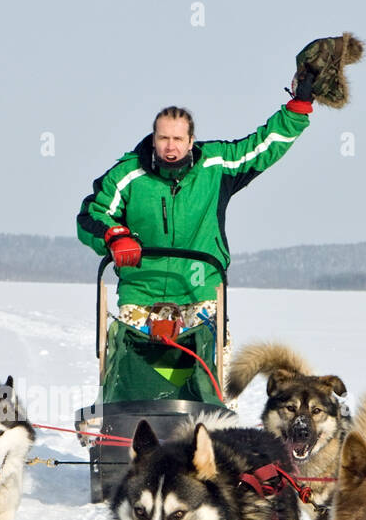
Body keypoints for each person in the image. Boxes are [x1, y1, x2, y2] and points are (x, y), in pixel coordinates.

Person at [76, 67, 318, 340]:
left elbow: (262, 147)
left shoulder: (215, 165)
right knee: (130, 365)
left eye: (178, 139)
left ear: (191, 141)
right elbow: (91, 216)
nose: (170, 147)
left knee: (209, 364)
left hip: (200, 287)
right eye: (163, 138)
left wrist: (298, 107)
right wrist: (114, 236)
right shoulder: (128, 175)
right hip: (141, 289)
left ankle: (212, 381)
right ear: (153, 139)